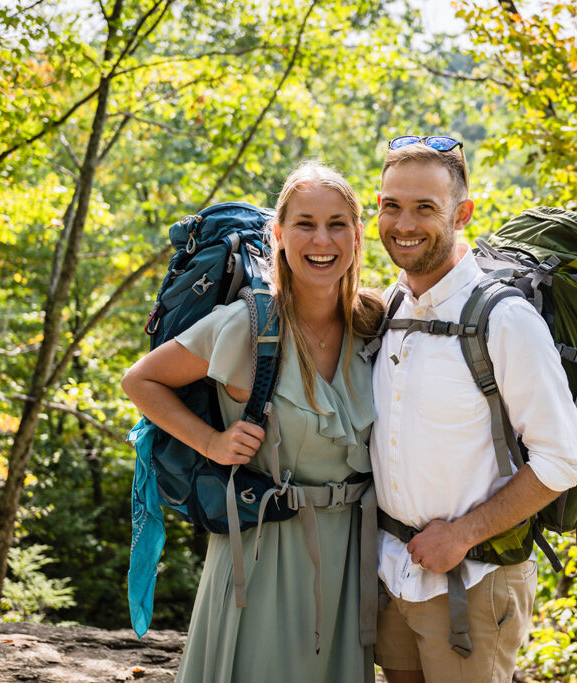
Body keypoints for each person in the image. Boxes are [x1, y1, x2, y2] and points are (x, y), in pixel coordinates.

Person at [122, 161, 384, 682]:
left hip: (349, 557)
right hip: (260, 553)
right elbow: (141, 381)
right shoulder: (248, 325)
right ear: (279, 235)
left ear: (357, 236)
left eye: (337, 224)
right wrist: (212, 442)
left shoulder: (375, 324)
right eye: (305, 224)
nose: (321, 239)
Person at [369, 135, 577, 683]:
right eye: (391, 205)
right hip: (394, 572)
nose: (404, 224)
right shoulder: (391, 306)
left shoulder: (505, 320)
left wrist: (462, 535)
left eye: (425, 207)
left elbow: (563, 460)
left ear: (462, 213)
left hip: (475, 580)